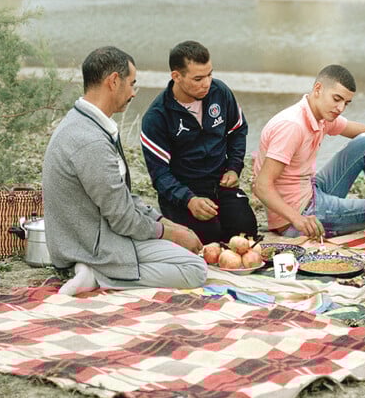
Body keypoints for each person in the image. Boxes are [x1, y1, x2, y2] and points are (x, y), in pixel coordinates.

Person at [42, 46, 206, 296]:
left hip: (97, 233)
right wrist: (171, 235)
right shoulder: (90, 141)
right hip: (92, 244)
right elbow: (122, 217)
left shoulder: (86, 123)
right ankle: (98, 275)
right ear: (113, 81)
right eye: (132, 84)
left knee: (180, 250)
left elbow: (121, 197)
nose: (133, 93)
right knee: (194, 269)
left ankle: (101, 273)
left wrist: (162, 222)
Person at [140, 41, 258, 245]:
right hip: (184, 192)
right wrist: (189, 200)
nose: (207, 83)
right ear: (176, 76)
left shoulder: (220, 92)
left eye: (210, 74)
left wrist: (234, 167)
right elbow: (160, 175)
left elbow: (237, 129)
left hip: (220, 182)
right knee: (206, 238)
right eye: (198, 78)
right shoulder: (157, 117)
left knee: (246, 230)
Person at [253, 64, 365, 239]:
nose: (340, 108)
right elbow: (261, 186)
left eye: (346, 103)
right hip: (299, 215)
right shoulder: (292, 126)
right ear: (318, 89)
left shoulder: (321, 114)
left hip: (312, 190)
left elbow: (358, 130)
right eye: (337, 99)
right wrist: (298, 219)